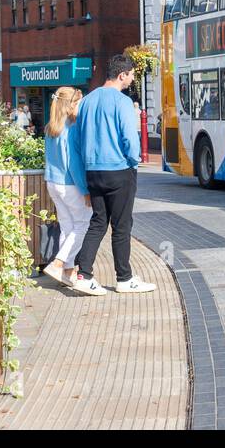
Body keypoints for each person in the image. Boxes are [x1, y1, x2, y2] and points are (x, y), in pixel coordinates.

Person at [72, 55, 155, 296]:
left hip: (93, 172)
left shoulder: (86, 101)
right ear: (122, 75)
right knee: (121, 226)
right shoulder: (122, 102)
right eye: (130, 76)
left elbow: (77, 143)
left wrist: (84, 178)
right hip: (119, 170)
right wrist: (134, 161)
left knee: (98, 223)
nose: (131, 80)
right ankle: (124, 278)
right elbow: (129, 137)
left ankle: (84, 275)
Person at [43, 87, 91, 288]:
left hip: (52, 183)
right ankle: (59, 263)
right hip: (69, 184)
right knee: (83, 225)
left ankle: (67, 272)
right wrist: (86, 190)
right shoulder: (70, 129)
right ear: (70, 104)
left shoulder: (50, 127)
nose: (80, 106)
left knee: (67, 226)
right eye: (78, 102)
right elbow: (73, 164)